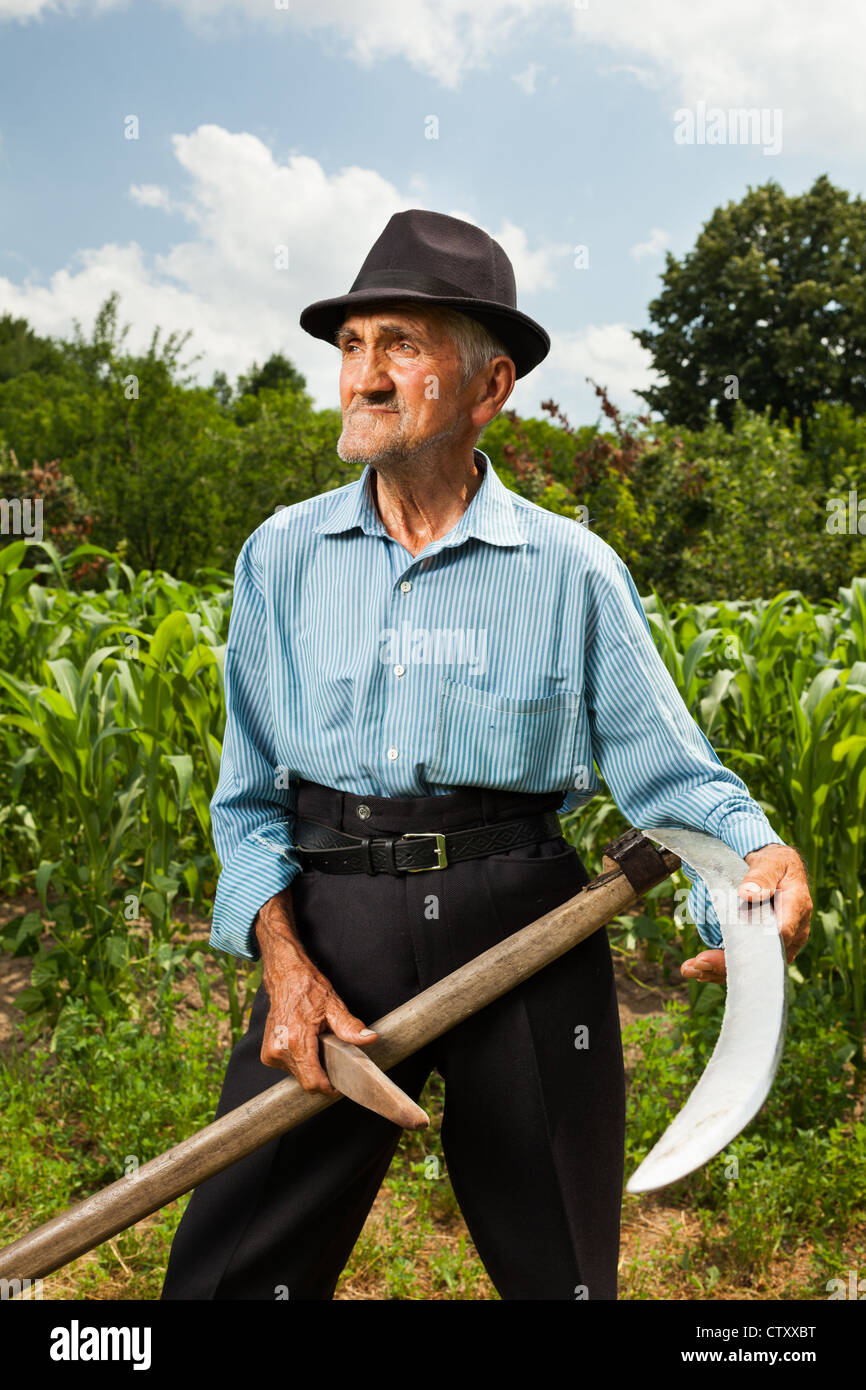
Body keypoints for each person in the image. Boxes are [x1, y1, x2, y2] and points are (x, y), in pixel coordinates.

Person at [161, 209, 811, 1301]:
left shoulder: (570, 569)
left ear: (487, 386)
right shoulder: (281, 556)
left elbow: (672, 781)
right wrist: (281, 956)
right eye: (352, 345)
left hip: (525, 923)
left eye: (401, 346)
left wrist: (752, 871)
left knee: (561, 1266)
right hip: (335, 927)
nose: (363, 375)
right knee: (229, 1267)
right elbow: (245, 799)